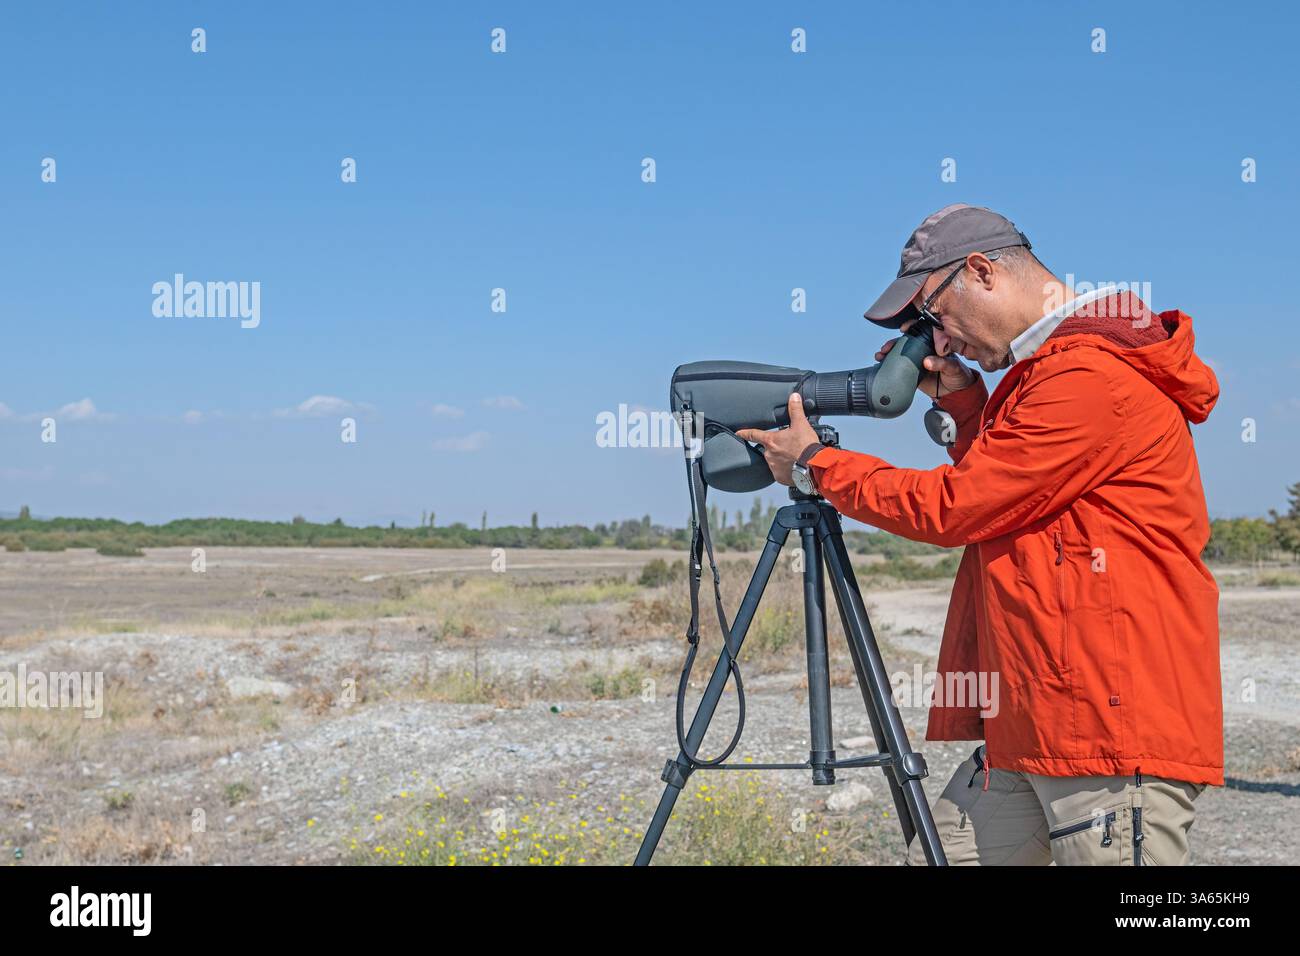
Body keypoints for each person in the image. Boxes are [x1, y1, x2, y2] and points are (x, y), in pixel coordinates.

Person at [737, 204, 1222, 865]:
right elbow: (1013, 504)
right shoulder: (1048, 372)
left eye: (933, 315)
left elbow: (960, 507)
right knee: (940, 855)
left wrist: (818, 466)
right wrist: (967, 405)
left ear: (980, 271)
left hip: (1105, 729)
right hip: (1033, 720)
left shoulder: (1088, 376)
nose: (937, 341)